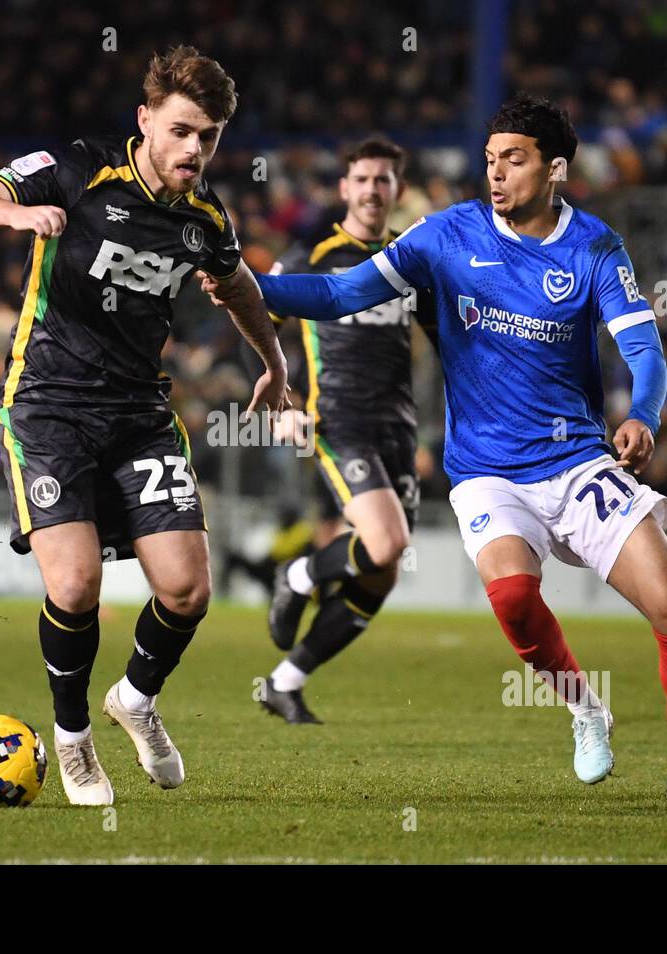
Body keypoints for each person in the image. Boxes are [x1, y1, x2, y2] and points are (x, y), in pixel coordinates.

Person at [208, 94, 667, 815]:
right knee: (518, 600)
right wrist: (249, 284)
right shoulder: (444, 236)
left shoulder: (594, 247)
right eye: (490, 160)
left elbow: (643, 348)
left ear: (555, 168)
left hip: (579, 461)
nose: (495, 175)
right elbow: (339, 293)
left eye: (513, 160)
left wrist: (642, 414)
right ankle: (587, 710)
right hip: (487, 471)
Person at [0, 46, 288, 805]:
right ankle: (71, 743)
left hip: (139, 414)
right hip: (49, 405)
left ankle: (135, 697)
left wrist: (276, 362)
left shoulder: (203, 217)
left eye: (210, 135)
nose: (196, 149)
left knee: (188, 589)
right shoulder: (75, 169)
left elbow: (238, 286)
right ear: (145, 123)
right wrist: (15, 212)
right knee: (74, 585)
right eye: (182, 131)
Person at [262, 137, 437, 724]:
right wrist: (282, 402)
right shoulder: (312, 255)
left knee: (380, 573)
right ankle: (301, 572)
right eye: (361, 179)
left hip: (399, 429)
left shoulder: (407, 260)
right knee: (387, 544)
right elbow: (255, 324)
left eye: (383, 180)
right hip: (336, 421)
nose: (371, 190)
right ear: (344, 188)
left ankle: (285, 682)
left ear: (398, 190)